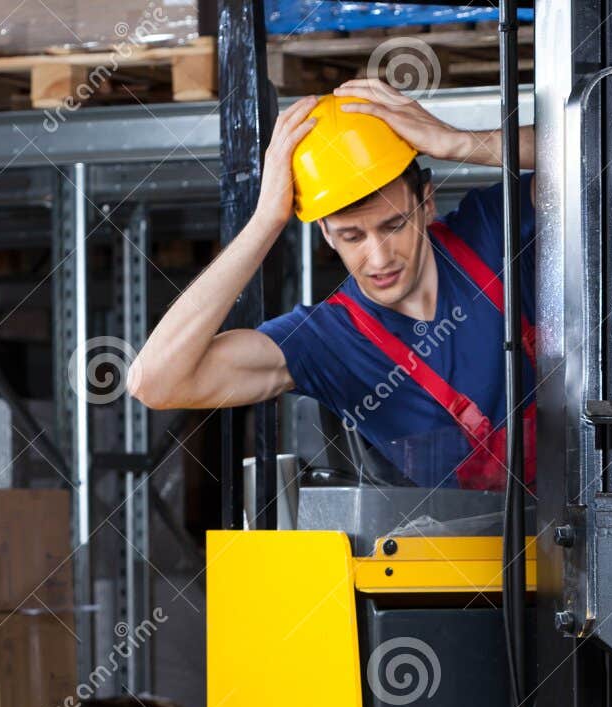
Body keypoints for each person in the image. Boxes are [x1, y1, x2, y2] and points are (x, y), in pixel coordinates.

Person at [130, 83, 536, 490]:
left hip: (583, 535)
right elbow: (155, 382)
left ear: (426, 202)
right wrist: (264, 222)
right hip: (462, 554)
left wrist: (461, 142)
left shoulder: (488, 231)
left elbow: (597, 146)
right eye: (352, 236)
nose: (379, 259)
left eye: (393, 225)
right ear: (325, 233)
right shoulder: (327, 341)